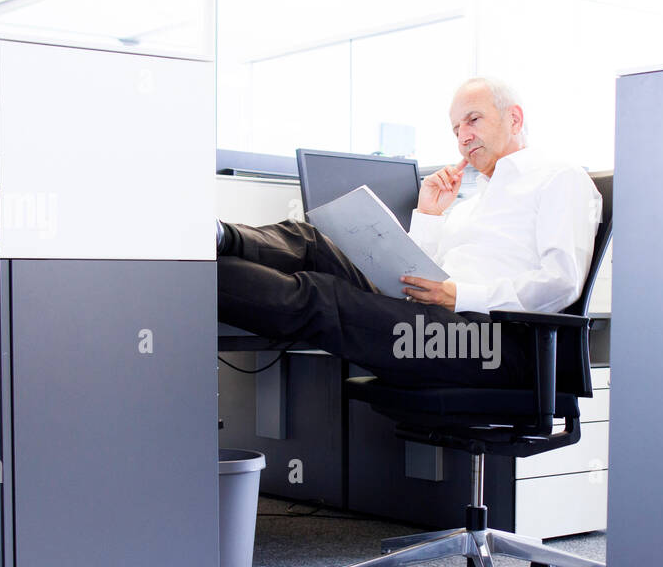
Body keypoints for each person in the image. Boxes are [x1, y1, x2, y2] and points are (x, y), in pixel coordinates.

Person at [216, 77, 601, 388]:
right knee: (311, 241)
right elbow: (420, 274)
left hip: (492, 344)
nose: (462, 136)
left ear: (514, 119)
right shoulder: (473, 197)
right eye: (455, 128)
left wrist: (459, 296)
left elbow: (561, 283)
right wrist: (430, 214)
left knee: (319, 295)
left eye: (473, 120)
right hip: (438, 324)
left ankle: (197, 277)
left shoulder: (559, 178)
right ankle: (217, 239)